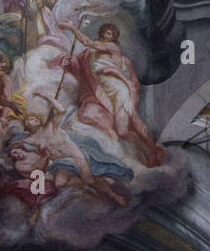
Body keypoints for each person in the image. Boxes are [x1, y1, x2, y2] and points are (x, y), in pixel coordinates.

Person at [55, 21, 164, 167]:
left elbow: (87, 42)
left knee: (133, 121)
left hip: (119, 91)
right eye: (105, 33)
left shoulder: (111, 48)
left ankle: (152, 149)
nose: (106, 36)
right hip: (106, 94)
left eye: (110, 34)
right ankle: (143, 149)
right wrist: (68, 63)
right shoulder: (91, 54)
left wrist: (71, 27)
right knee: (122, 132)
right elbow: (79, 67)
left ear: (114, 38)